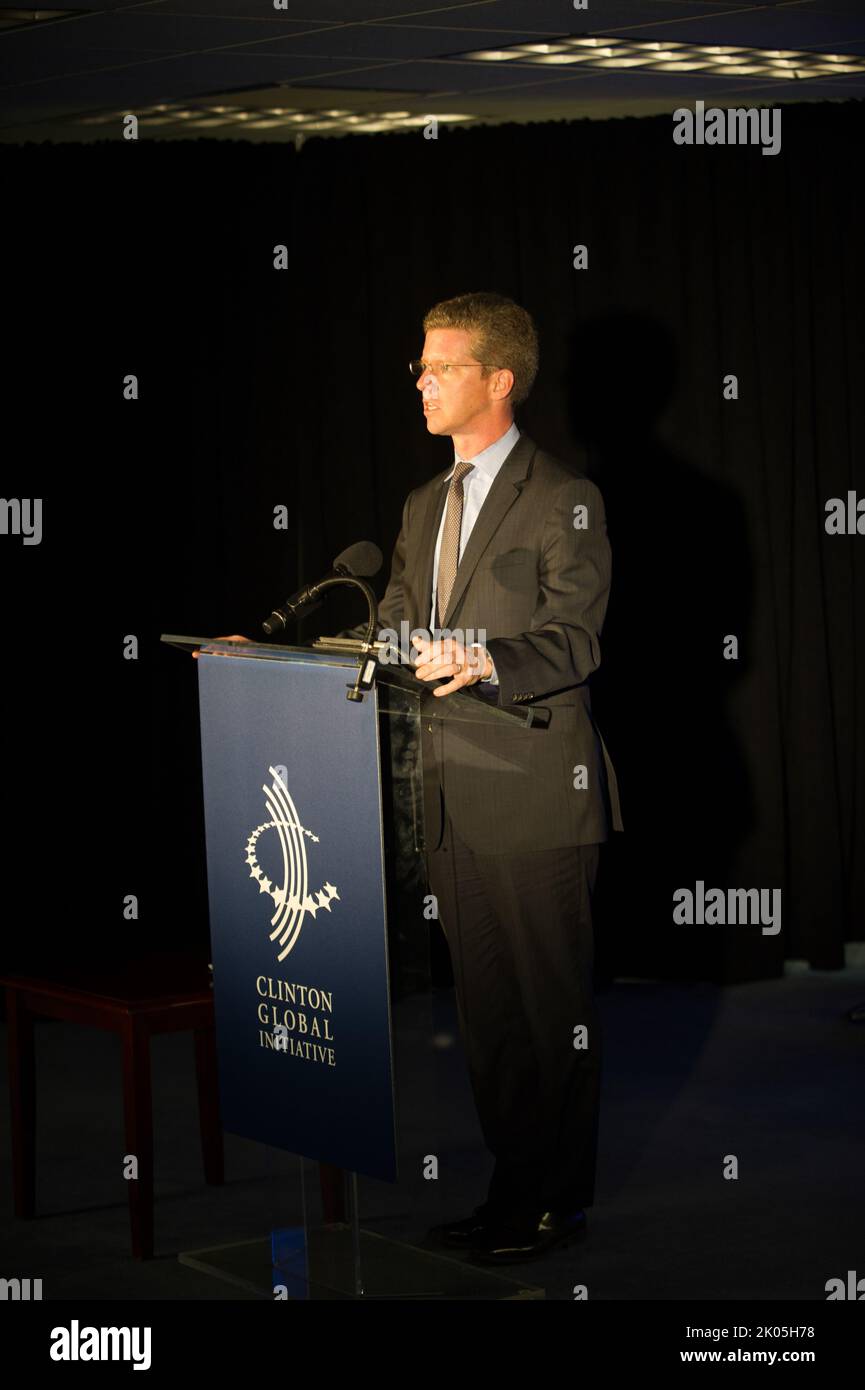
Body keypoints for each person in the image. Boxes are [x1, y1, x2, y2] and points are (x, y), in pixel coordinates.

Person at [209, 290, 622, 1265]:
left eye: (439, 366)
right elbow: (387, 628)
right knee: (484, 1019)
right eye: (419, 366)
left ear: (497, 379)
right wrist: (274, 655)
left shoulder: (566, 496)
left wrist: (481, 657)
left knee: (545, 1011)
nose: (422, 381)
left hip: (532, 793)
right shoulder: (422, 504)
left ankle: (556, 1201)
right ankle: (507, 1190)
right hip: (446, 794)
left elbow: (576, 637)